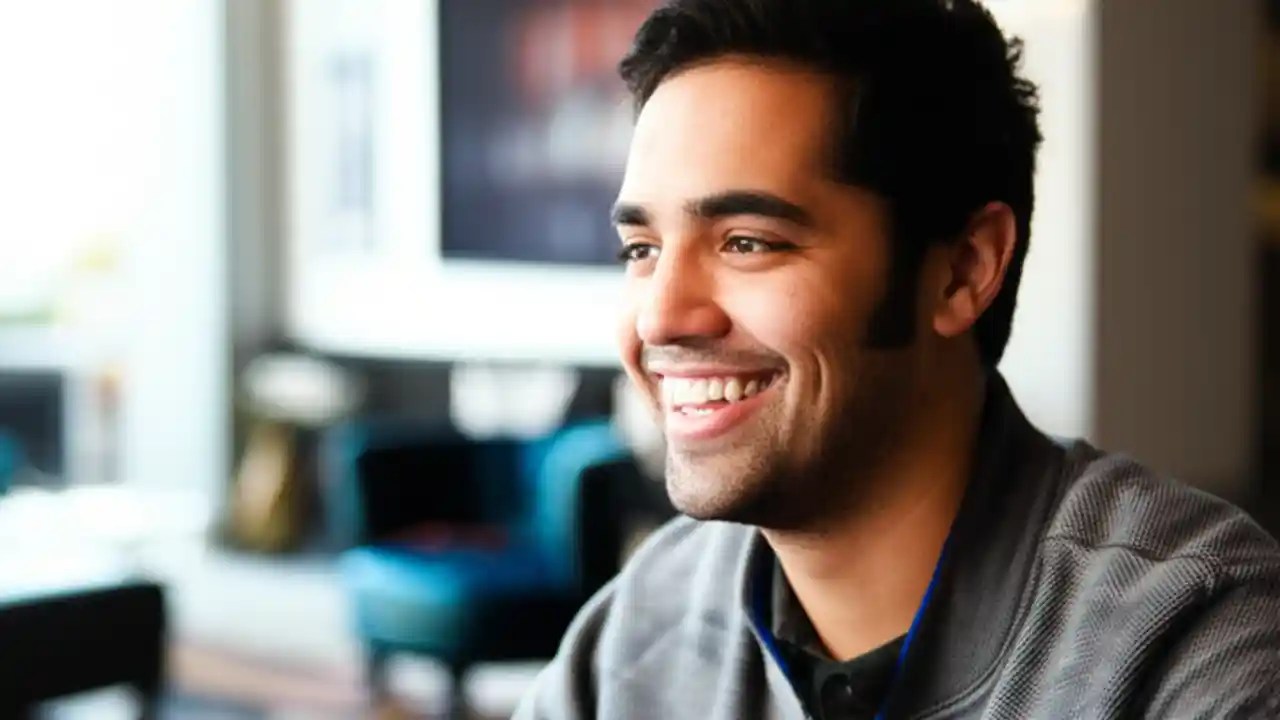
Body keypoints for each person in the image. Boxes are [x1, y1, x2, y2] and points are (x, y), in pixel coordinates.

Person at [515, 1, 1280, 718]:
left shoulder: (1195, 639)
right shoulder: (637, 636)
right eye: (640, 250)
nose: (660, 317)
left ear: (963, 270)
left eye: (748, 242)